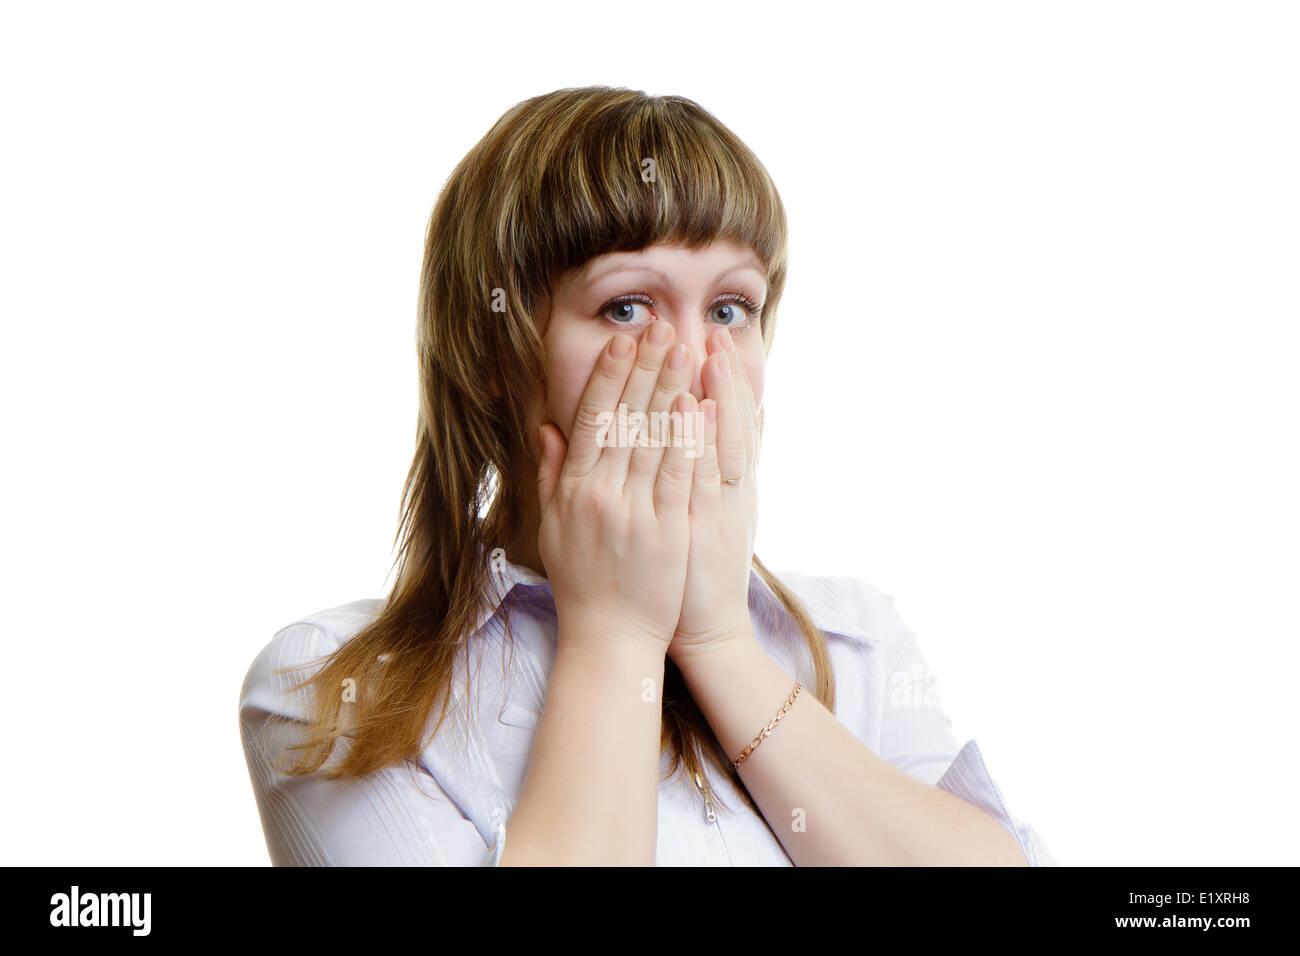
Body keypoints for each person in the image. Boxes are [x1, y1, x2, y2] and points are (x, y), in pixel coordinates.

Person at [238, 85, 1057, 866]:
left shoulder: (861, 644)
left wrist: (721, 644)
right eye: (628, 307)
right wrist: (613, 637)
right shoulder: (330, 693)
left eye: (731, 308)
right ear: (494, 351)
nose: (698, 363)